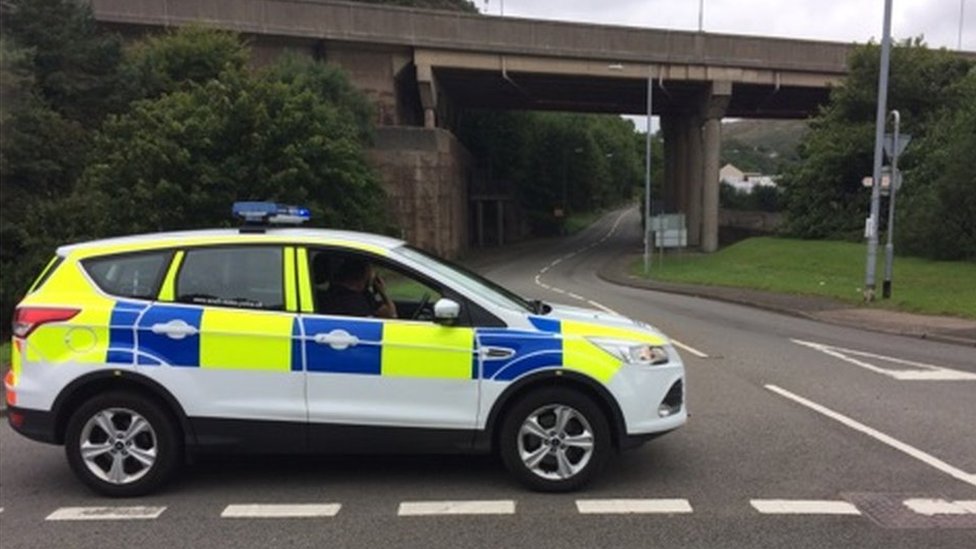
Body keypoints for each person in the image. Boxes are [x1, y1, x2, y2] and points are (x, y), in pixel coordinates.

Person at [318, 257, 397, 319]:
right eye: (372, 271)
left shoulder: (331, 293)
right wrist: (382, 292)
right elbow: (392, 315)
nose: (374, 275)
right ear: (365, 274)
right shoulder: (353, 302)